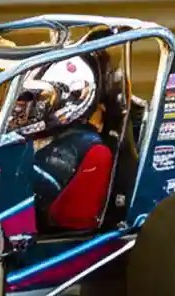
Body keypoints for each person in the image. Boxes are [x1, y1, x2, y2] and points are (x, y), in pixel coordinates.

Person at [8, 55, 114, 231]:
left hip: (46, 244)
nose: (23, 108)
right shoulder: (31, 136)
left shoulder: (84, 146)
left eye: (38, 100)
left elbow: (34, 192)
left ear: (69, 99)